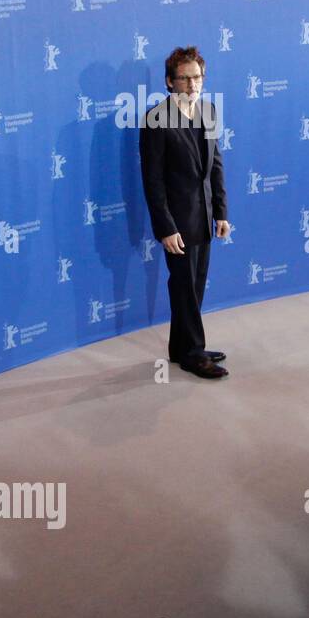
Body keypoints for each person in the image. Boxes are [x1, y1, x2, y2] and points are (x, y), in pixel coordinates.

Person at [139, 46, 230, 379]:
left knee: (196, 283)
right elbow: (153, 181)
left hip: (204, 215)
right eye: (184, 78)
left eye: (197, 77)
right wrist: (165, 227)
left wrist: (221, 211)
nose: (192, 84)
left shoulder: (207, 112)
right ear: (169, 81)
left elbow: (215, 166)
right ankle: (193, 353)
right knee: (184, 286)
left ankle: (181, 347)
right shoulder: (155, 120)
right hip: (177, 222)